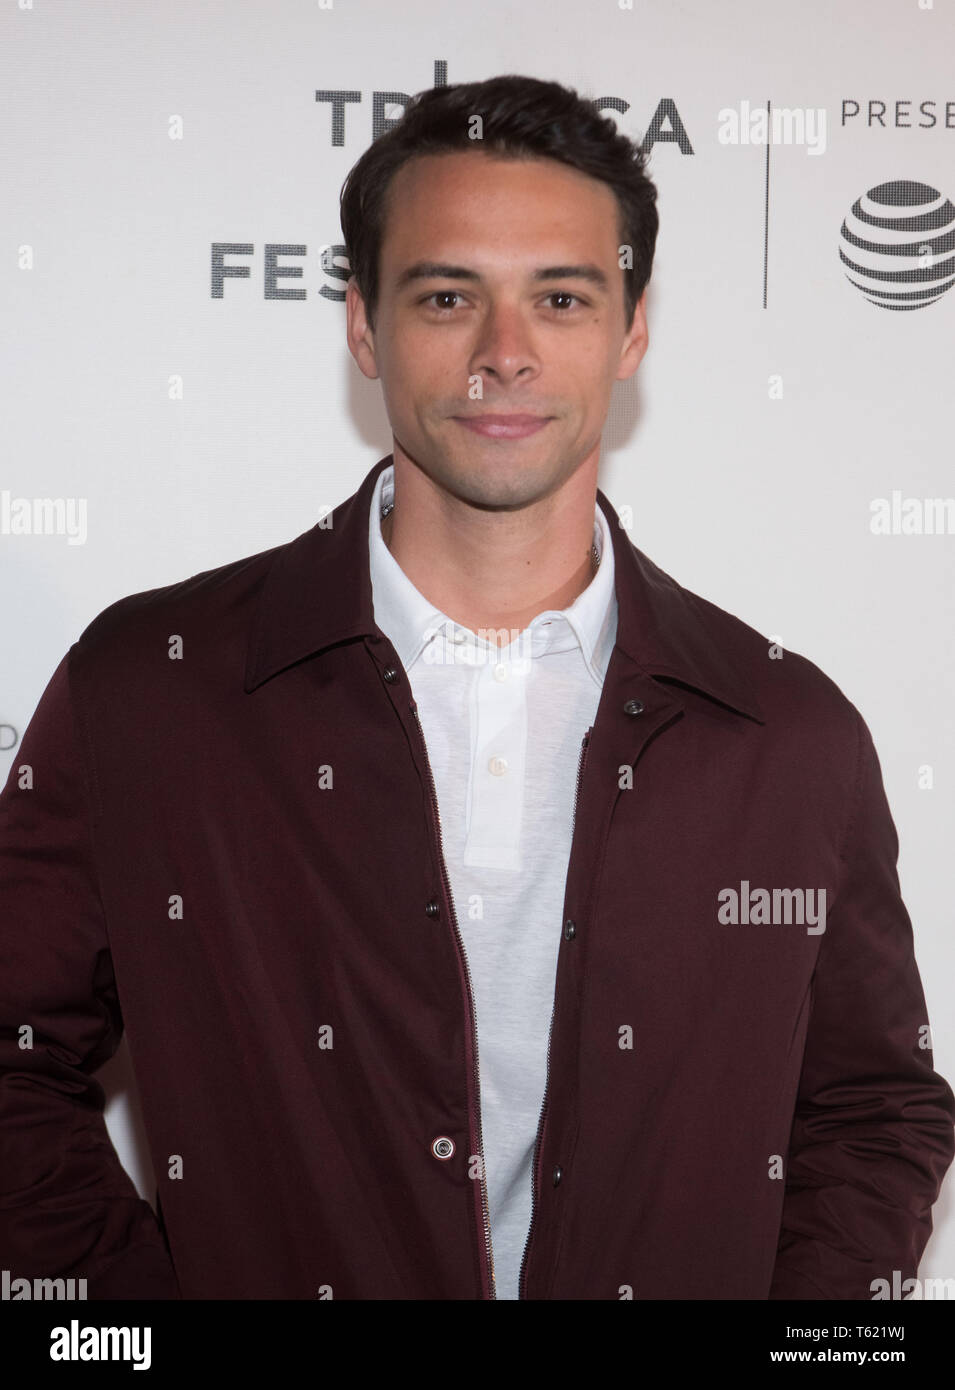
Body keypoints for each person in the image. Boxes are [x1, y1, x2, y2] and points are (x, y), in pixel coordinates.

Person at [1, 74, 952, 1302]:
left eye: (560, 297)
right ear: (363, 326)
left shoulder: (785, 732)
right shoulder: (152, 688)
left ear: (632, 330)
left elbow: (873, 1108)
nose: (504, 353)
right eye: (447, 296)